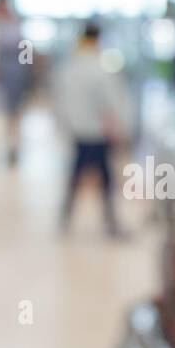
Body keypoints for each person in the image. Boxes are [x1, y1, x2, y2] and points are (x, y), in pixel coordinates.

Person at [53, 23, 130, 237]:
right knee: (105, 178)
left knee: (77, 175)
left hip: (78, 131)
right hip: (97, 132)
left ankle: (65, 218)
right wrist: (120, 129)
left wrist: (64, 125)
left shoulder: (69, 67)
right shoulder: (100, 68)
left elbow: (60, 101)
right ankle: (110, 222)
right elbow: (110, 103)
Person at [0, 0, 31, 166]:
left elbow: (26, 51)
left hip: (15, 75)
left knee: (13, 114)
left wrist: (26, 72)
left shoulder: (14, 28)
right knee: (8, 114)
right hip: (6, 75)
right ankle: (10, 147)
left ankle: (14, 148)